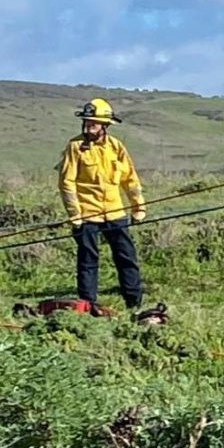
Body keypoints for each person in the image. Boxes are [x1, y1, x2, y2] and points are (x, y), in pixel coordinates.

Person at [58, 98, 147, 310]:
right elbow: (66, 183)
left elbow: (130, 180)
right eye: (86, 123)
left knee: (127, 257)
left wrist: (138, 207)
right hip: (87, 216)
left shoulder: (117, 147)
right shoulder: (75, 147)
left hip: (115, 212)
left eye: (93, 124)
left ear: (105, 126)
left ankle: (134, 303)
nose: (88, 128)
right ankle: (88, 305)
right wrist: (75, 215)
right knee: (88, 261)